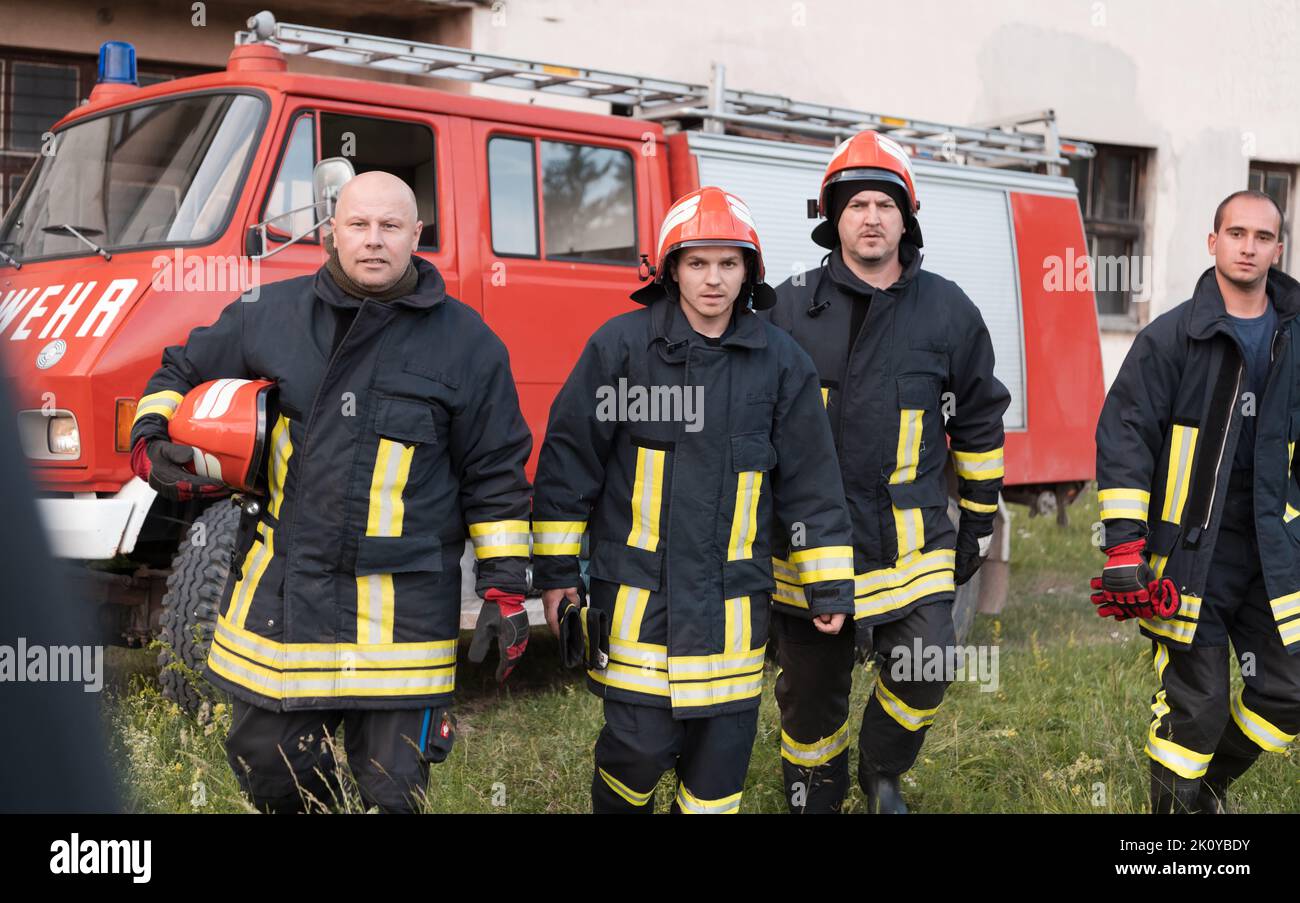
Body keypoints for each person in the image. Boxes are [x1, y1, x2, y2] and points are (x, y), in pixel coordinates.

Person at [129, 171, 533, 813]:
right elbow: (180, 369)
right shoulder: (269, 313)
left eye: (390, 226)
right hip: (287, 592)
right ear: (332, 233)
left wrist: (506, 588)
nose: (374, 240)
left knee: (393, 792)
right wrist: (151, 436)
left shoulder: (469, 344)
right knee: (268, 760)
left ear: (416, 236)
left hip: (404, 610)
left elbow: (495, 473)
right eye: (358, 224)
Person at [532, 186, 855, 813]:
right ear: (671, 268)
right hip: (639, 610)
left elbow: (811, 483)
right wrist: (555, 577)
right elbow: (570, 463)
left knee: (718, 776)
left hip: (732, 614)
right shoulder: (620, 349)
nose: (713, 280)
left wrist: (828, 585)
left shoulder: (781, 363)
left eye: (728, 264)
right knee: (636, 750)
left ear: (749, 272)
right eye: (698, 263)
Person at [763, 130, 1010, 813]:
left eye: (884, 203)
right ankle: (817, 784)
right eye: (856, 204)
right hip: (812, 549)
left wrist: (979, 522)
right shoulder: (787, 308)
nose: (871, 216)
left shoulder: (948, 310)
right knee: (810, 694)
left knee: (927, 665)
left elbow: (980, 422)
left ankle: (882, 766)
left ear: (908, 216)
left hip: (913, 541)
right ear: (832, 217)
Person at [1093, 189, 1300, 813]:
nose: (1248, 246)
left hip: (1276, 555)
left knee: (1289, 692)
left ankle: (1210, 790)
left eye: (1262, 237)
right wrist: (1126, 546)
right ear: (1213, 243)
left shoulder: (1294, 340)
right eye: (1236, 233)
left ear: (1279, 249)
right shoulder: (1169, 340)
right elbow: (1124, 439)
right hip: (1190, 556)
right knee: (1197, 709)